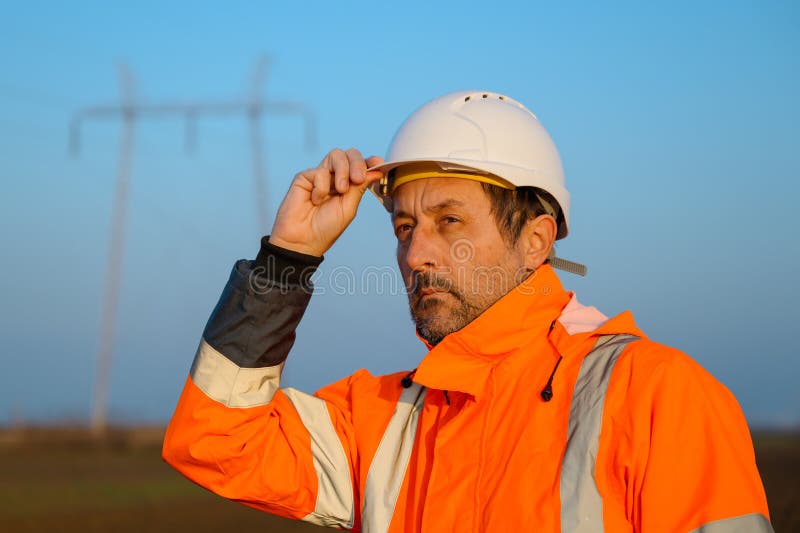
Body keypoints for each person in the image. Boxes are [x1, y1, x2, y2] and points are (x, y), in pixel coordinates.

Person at [163, 91, 772, 532]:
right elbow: (215, 441)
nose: (417, 253)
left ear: (536, 239)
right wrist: (288, 259)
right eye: (405, 226)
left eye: (448, 221)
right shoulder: (381, 422)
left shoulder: (657, 397)